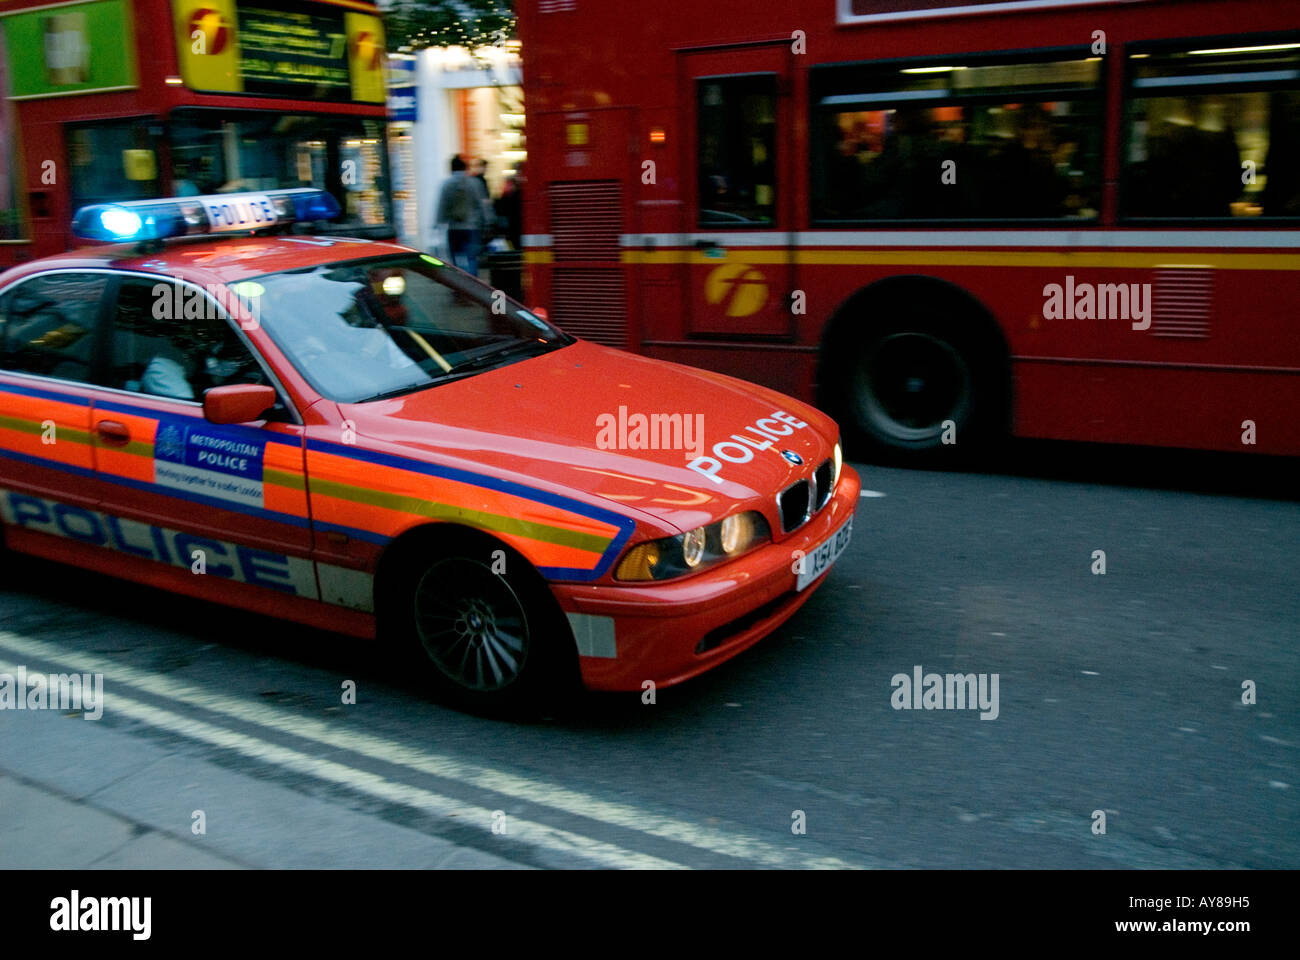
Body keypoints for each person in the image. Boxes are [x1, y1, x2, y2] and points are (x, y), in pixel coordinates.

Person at [436, 155, 489, 276]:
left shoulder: (446, 184)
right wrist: (488, 222)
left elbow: (441, 206)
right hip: (471, 226)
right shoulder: (474, 183)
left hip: (453, 227)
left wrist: (438, 224)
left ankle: (459, 283)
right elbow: (482, 204)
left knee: (454, 259)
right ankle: (473, 284)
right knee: (472, 257)